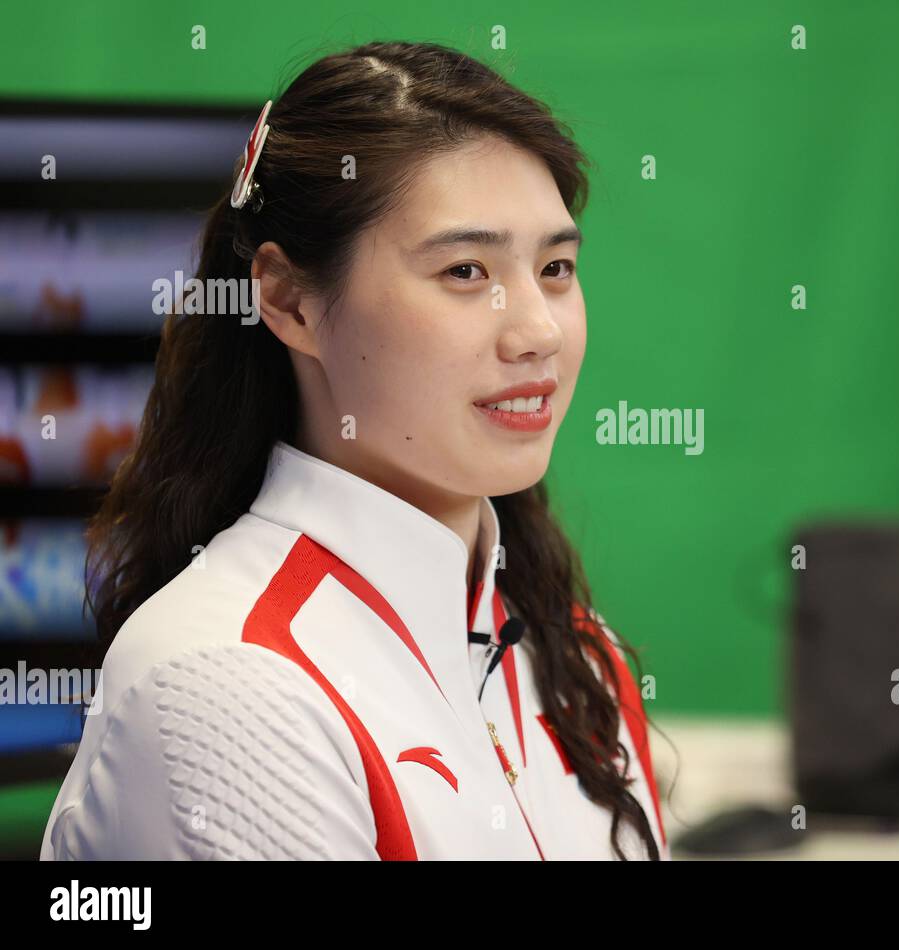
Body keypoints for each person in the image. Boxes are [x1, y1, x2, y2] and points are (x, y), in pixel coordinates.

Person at [39, 40, 667, 861]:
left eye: (555, 267)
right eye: (467, 271)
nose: (540, 331)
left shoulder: (580, 657)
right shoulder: (226, 681)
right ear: (288, 299)